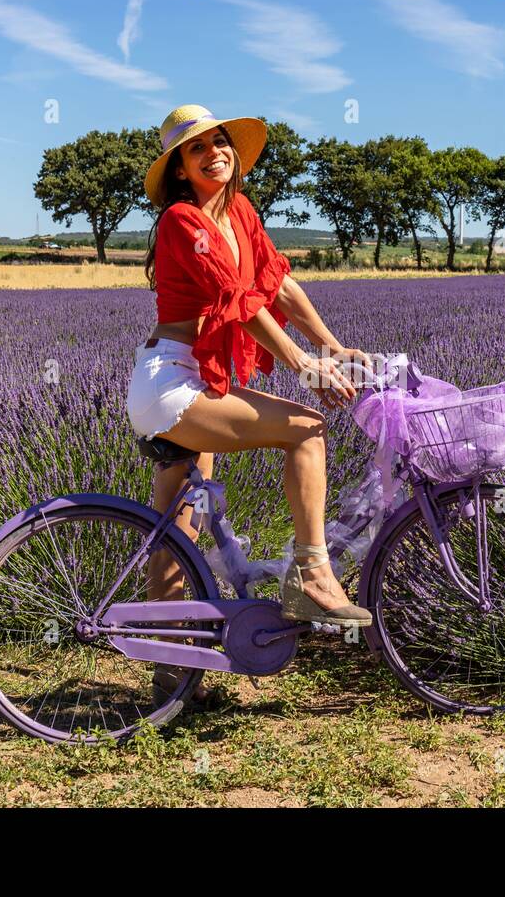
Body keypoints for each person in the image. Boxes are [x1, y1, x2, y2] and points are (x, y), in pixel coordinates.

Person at [128, 105, 374, 662]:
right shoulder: (182, 221)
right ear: (180, 171)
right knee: (306, 430)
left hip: (197, 379)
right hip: (171, 384)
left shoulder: (238, 211)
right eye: (197, 149)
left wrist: (329, 344)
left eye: (219, 142)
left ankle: (169, 674)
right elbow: (236, 302)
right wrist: (300, 363)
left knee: (179, 532)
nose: (213, 152)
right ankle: (313, 578)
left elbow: (275, 282)